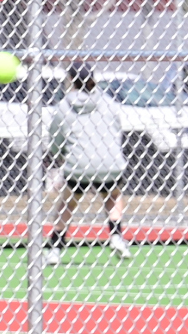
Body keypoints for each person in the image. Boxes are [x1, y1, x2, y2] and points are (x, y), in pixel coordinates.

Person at [46, 63, 133, 266]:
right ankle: (116, 235)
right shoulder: (107, 101)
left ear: (71, 81)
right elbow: (117, 128)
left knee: (68, 203)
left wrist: (59, 155)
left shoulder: (64, 106)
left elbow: (55, 139)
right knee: (113, 196)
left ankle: (55, 248)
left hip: (79, 164)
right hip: (109, 161)